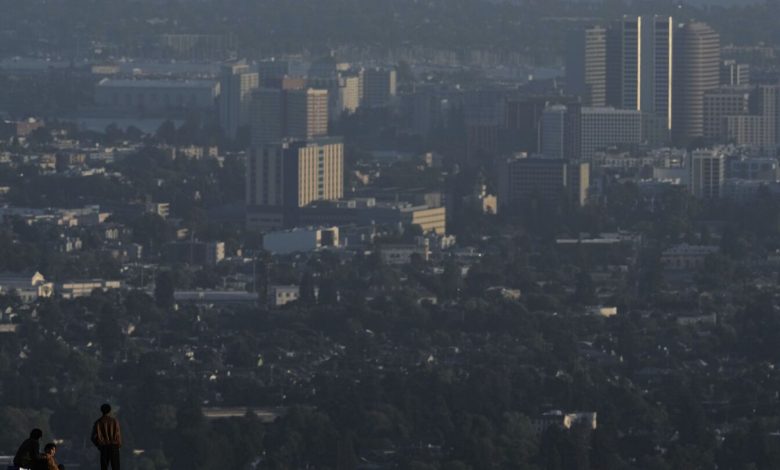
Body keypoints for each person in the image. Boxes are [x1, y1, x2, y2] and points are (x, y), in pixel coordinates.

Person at [91, 404, 122, 470]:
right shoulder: (114, 421)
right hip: (114, 446)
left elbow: (93, 437)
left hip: (104, 447)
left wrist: (99, 445)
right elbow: (118, 434)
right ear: (110, 410)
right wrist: (118, 445)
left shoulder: (98, 422)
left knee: (104, 467)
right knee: (116, 467)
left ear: (101, 411)